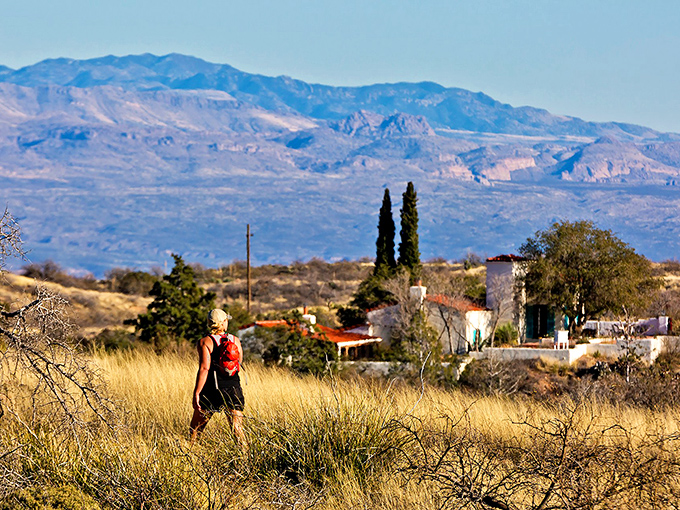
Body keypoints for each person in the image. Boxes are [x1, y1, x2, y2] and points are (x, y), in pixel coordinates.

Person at [189, 308, 246, 448]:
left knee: (195, 429)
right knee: (237, 428)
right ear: (224, 322)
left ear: (209, 323)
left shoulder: (204, 342)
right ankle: (246, 458)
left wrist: (197, 393)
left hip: (212, 388)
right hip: (233, 387)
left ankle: (192, 455)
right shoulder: (235, 340)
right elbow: (239, 362)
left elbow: (204, 368)